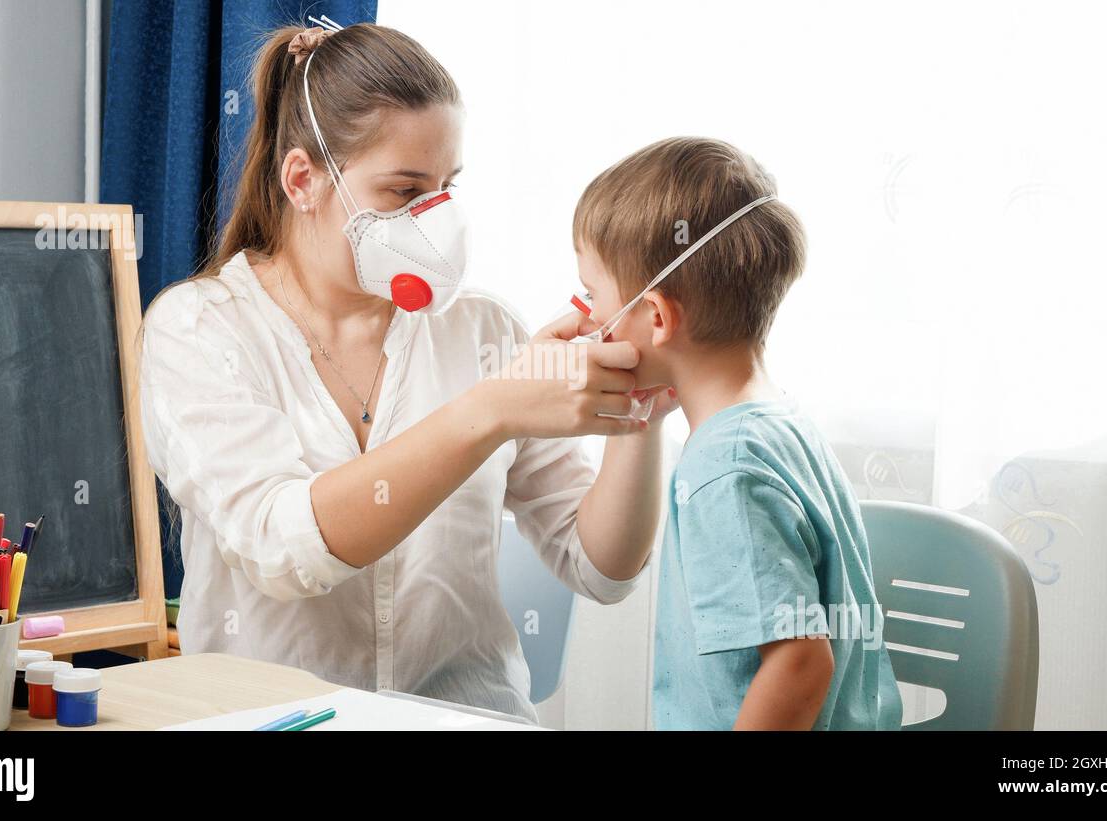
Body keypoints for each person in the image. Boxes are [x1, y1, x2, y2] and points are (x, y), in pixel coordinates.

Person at [138, 23, 672, 722]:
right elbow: (282, 546)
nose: (436, 220)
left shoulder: (483, 330)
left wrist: (637, 416)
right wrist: (489, 412)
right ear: (303, 180)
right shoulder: (199, 329)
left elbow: (602, 568)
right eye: (404, 190)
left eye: (447, 188)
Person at [572, 136, 903, 730]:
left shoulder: (722, 469)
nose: (588, 319)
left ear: (657, 317)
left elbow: (800, 664)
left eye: (593, 295)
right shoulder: (781, 425)